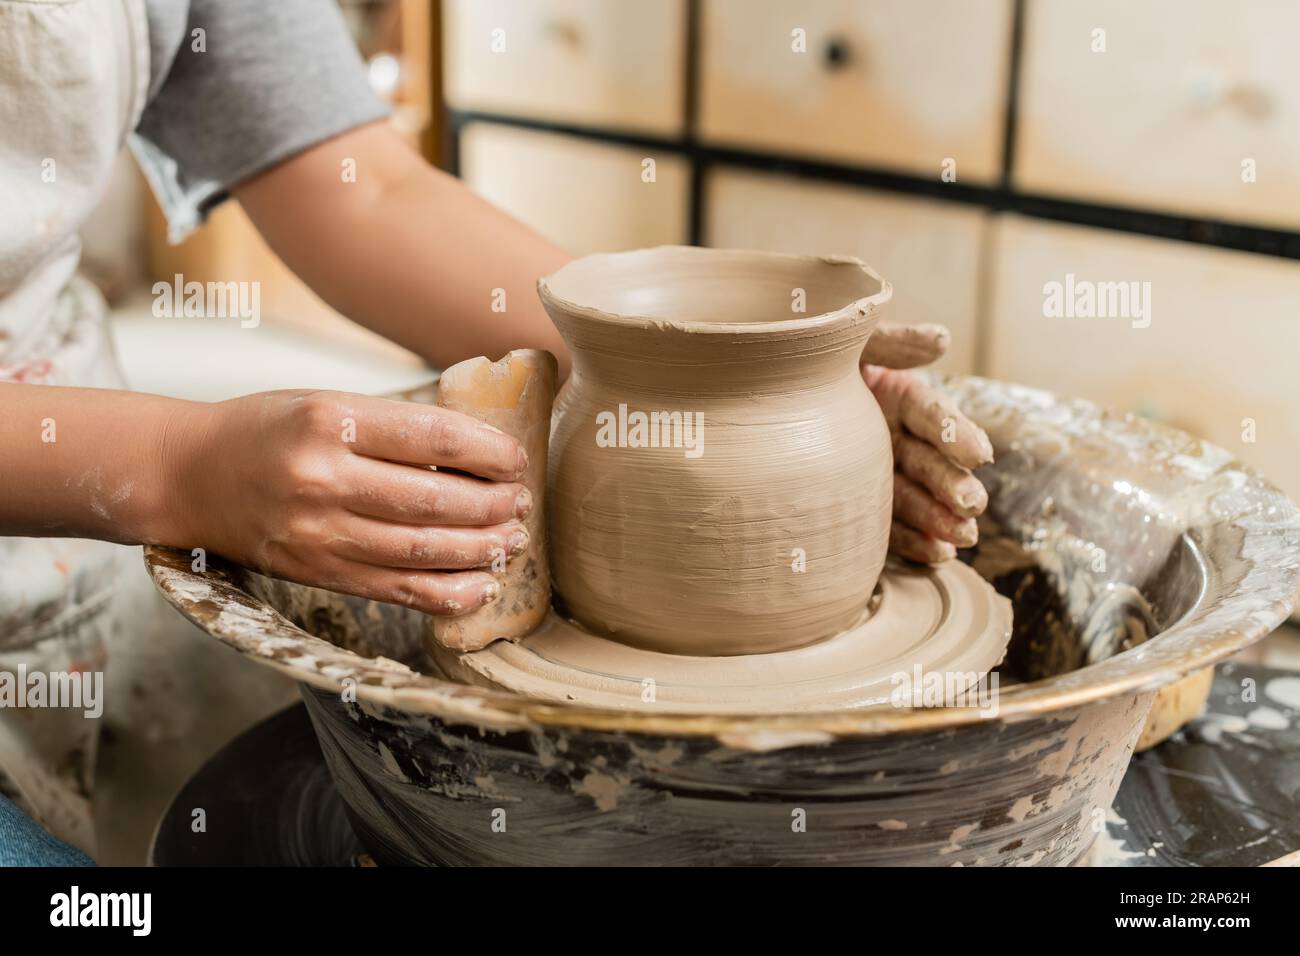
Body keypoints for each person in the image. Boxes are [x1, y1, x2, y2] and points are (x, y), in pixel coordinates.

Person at [0, 0, 991, 864]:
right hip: (93, 474)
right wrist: (175, 466)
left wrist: (714, 373)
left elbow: (359, 186)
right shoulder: (161, 467)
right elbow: (169, 465)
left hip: (62, 560)